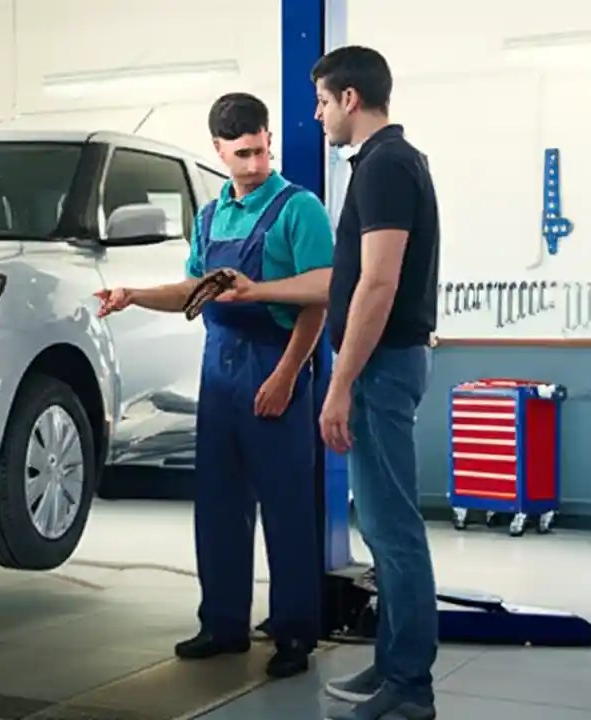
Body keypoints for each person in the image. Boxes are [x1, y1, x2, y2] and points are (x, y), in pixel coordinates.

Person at [94, 92, 334, 679]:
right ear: (219, 150)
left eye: (261, 150)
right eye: (241, 154)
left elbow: (321, 295)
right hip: (220, 371)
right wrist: (133, 295)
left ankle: (295, 631)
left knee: (287, 508)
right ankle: (222, 624)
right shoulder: (208, 218)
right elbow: (194, 290)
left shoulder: (299, 209)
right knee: (219, 504)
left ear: (270, 140)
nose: (254, 164)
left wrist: (287, 375)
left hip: (276, 364)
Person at [309, 46, 441, 720]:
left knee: (393, 531)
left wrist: (340, 383)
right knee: (385, 529)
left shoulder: (386, 165)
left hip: (381, 366)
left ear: (350, 99)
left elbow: (379, 282)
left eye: (323, 102)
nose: (319, 115)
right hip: (386, 362)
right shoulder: (388, 161)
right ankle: (392, 665)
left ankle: (409, 686)